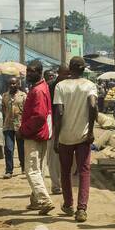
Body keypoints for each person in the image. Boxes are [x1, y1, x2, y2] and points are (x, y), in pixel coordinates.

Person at [52, 57, 99, 223]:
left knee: (65, 171)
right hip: (83, 136)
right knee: (84, 171)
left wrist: (56, 138)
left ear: (70, 69)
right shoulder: (89, 86)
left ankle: (68, 204)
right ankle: (81, 209)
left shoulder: (60, 86)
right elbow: (93, 106)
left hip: (65, 136)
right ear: (84, 69)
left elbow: (58, 113)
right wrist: (91, 130)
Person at [19, 60, 56, 214]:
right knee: (38, 169)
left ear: (39, 72)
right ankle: (35, 201)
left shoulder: (37, 91)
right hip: (41, 133)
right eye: (27, 71)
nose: (28, 74)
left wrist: (24, 130)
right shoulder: (41, 87)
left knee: (32, 170)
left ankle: (44, 200)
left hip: (34, 135)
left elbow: (39, 115)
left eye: (32, 71)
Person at [45, 65, 68, 197]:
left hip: (67, 125)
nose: (68, 77)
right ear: (59, 74)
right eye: (66, 74)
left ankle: (64, 183)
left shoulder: (69, 86)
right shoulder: (51, 87)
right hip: (54, 125)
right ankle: (56, 185)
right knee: (53, 157)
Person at [1, 77, 27, 179]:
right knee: (8, 148)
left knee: (21, 148)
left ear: (18, 84)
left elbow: (26, 111)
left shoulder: (23, 96)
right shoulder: (5, 96)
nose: (12, 85)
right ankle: (9, 170)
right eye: (10, 84)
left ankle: (24, 167)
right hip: (8, 126)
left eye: (14, 83)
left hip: (20, 126)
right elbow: (4, 110)